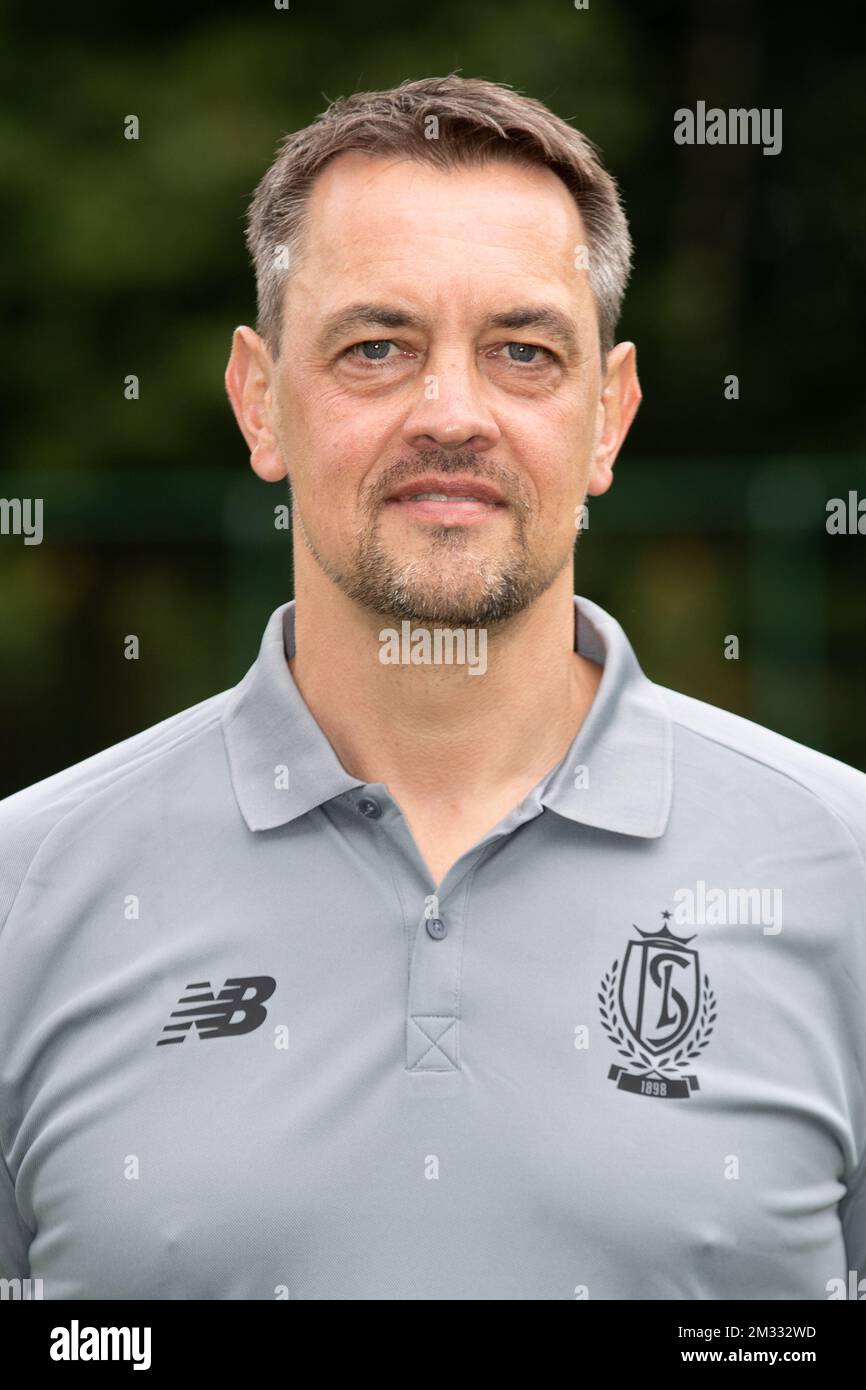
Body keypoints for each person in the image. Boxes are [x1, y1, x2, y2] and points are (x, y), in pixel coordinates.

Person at [1, 74, 864, 1302]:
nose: (449, 413)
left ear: (607, 416)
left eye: (522, 351)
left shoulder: (843, 878)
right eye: (375, 348)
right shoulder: (24, 896)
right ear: (260, 401)